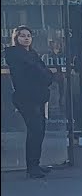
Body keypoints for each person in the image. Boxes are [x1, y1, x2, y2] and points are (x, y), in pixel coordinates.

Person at [6, 26, 54, 178]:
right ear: (16, 38)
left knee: (39, 131)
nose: (26, 38)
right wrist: (41, 74)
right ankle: (32, 167)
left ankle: (35, 163)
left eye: (28, 35)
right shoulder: (14, 54)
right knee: (35, 130)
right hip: (26, 97)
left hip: (38, 96)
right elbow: (33, 73)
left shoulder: (32, 54)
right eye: (22, 36)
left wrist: (43, 75)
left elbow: (45, 73)